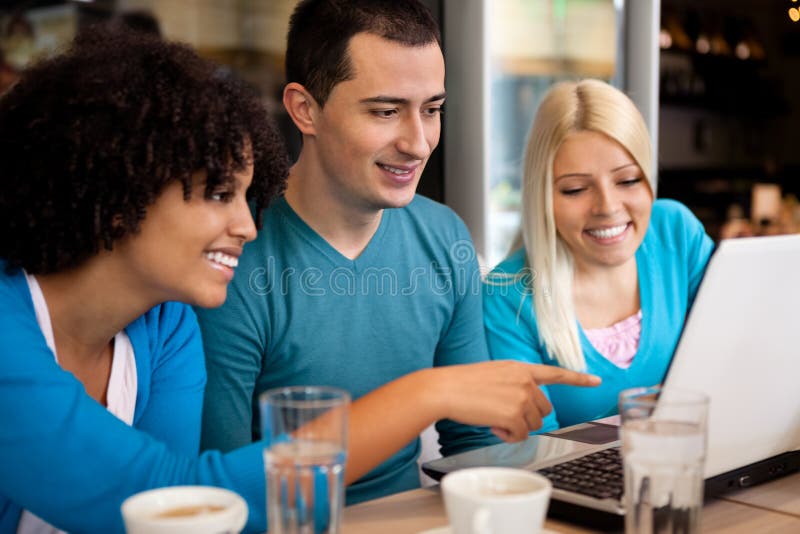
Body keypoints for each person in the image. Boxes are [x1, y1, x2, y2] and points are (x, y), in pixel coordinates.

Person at [195, 0, 600, 506]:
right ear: (305, 109)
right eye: (386, 111)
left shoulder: (444, 237)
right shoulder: (232, 253)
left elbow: (471, 444)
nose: (418, 142)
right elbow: (219, 496)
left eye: (432, 110)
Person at [0, 27, 291, 533]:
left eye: (248, 198)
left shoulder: (167, 326)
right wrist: (424, 395)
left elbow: (171, 519)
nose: (248, 226)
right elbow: (169, 492)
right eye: (220, 193)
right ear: (119, 191)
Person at [483, 79, 715, 432]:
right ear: (543, 195)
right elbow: (536, 453)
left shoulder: (676, 232)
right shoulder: (507, 294)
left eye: (628, 181)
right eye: (575, 189)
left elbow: (730, 360)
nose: (608, 207)